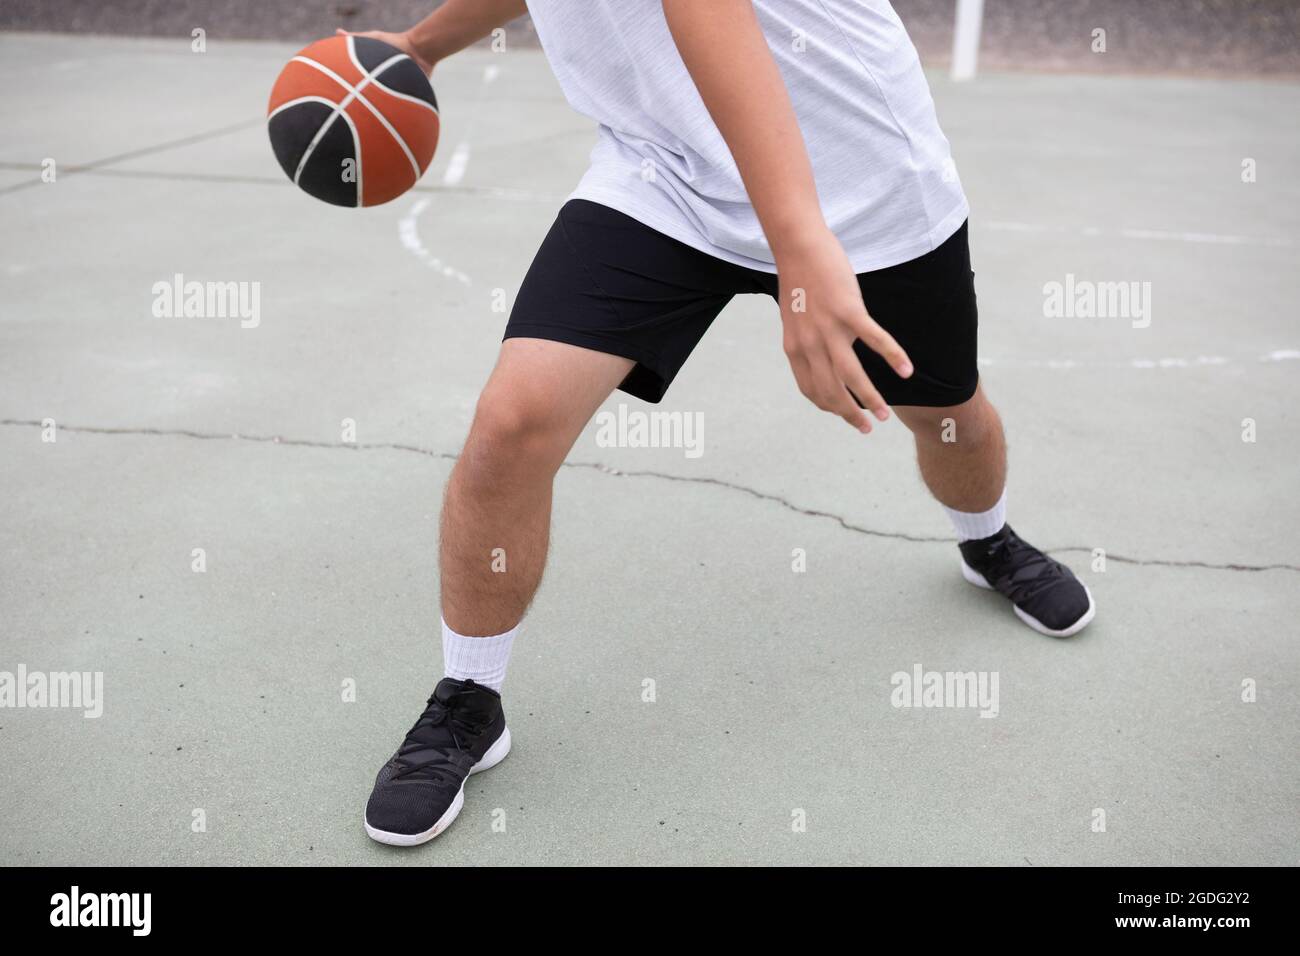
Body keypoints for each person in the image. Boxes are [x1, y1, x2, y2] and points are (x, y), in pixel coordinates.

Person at [351, 0, 1096, 847]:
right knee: (512, 423)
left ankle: (987, 538)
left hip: (854, 171)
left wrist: (802, 248)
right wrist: (422, 44)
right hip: (667, 173)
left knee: (946, 415)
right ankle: (468, 698)